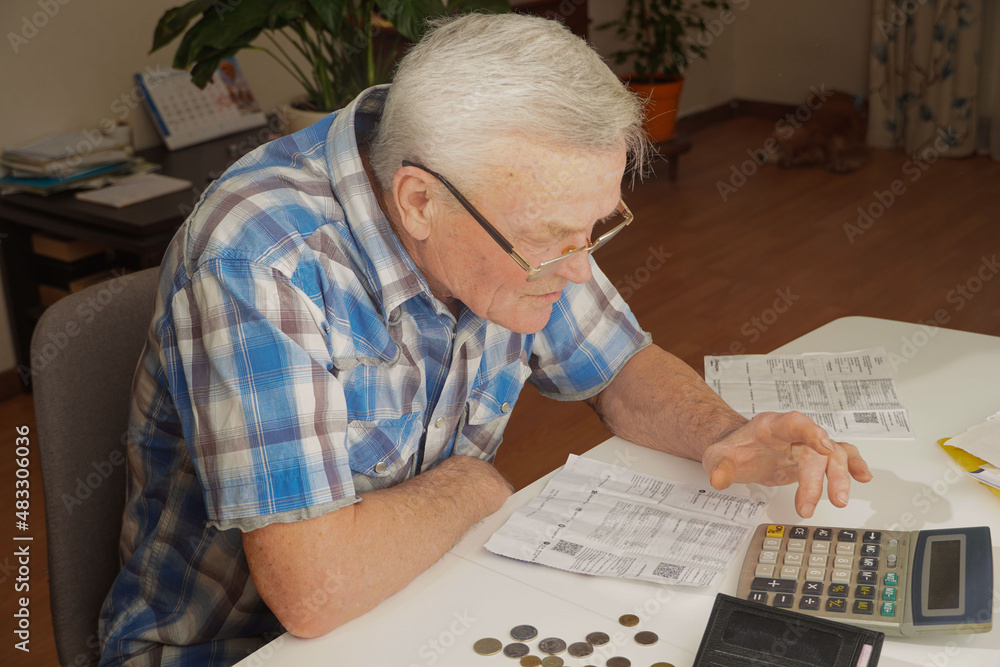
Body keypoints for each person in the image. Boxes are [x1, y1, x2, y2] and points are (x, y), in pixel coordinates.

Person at [98, 12, 872, 666]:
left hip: (418, 594)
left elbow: (620, 367)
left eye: (594, 230)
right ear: (419, 202)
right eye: (554, 240)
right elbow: (315, 588)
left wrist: (730, 434)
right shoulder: (260, 261)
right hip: (235, 648)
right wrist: (474, 484)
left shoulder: (513, 212)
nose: (578, 271)